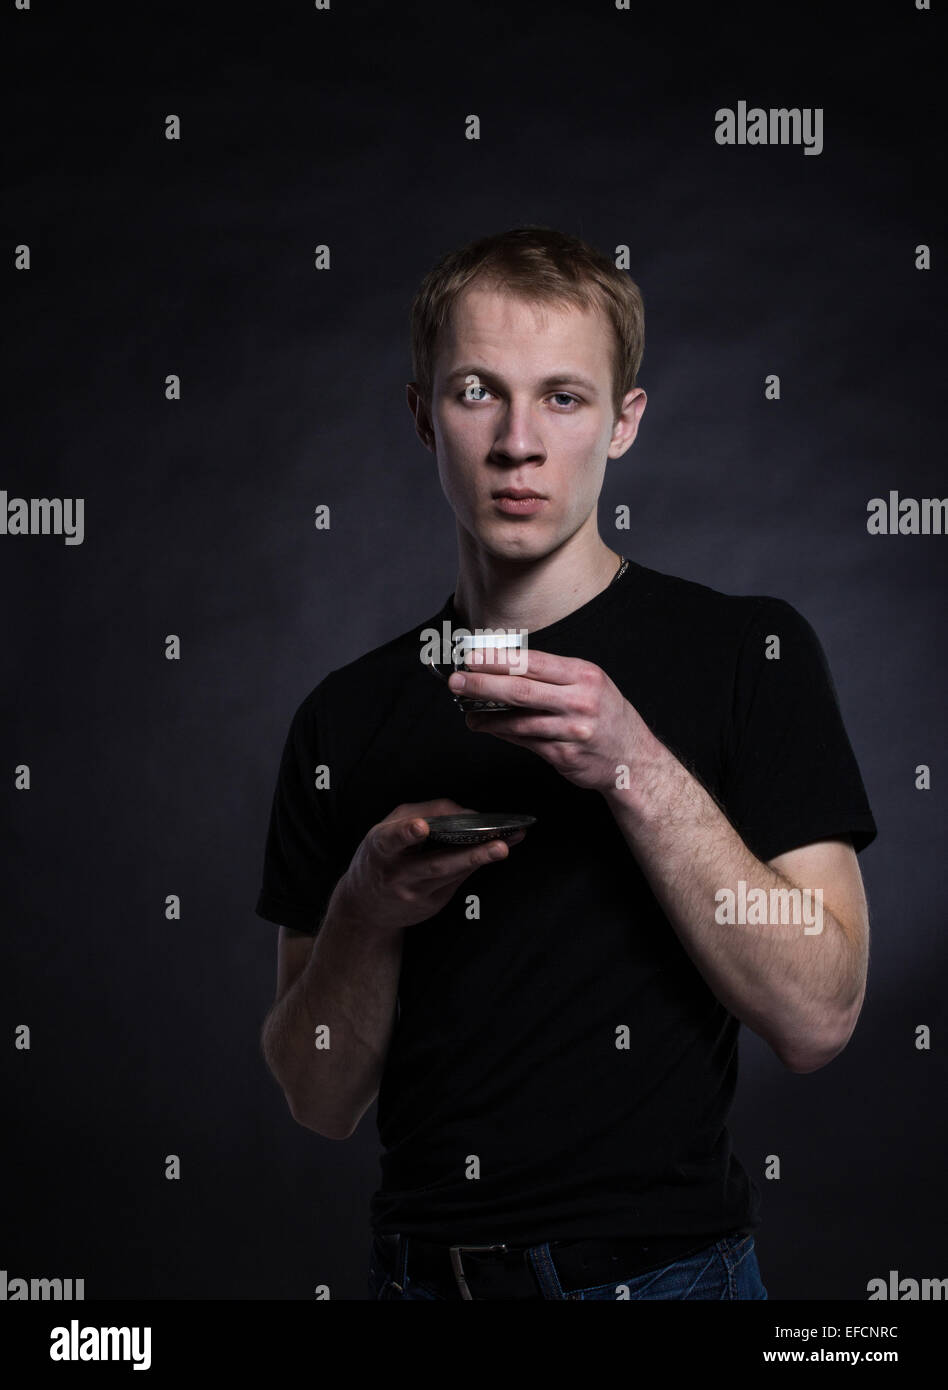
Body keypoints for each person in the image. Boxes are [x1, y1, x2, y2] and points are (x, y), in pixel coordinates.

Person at [255, 225, 877, 1301]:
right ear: (421, 415)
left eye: (564, 397)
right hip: (421, 1281)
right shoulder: (342, 717)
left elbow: (820, 1015)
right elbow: (317, 1095)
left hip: (670, 1282)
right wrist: (363, 903)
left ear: (625, 422)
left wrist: (633, 764)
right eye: (476, 391)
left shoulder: (749, 654)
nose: (516, 443)